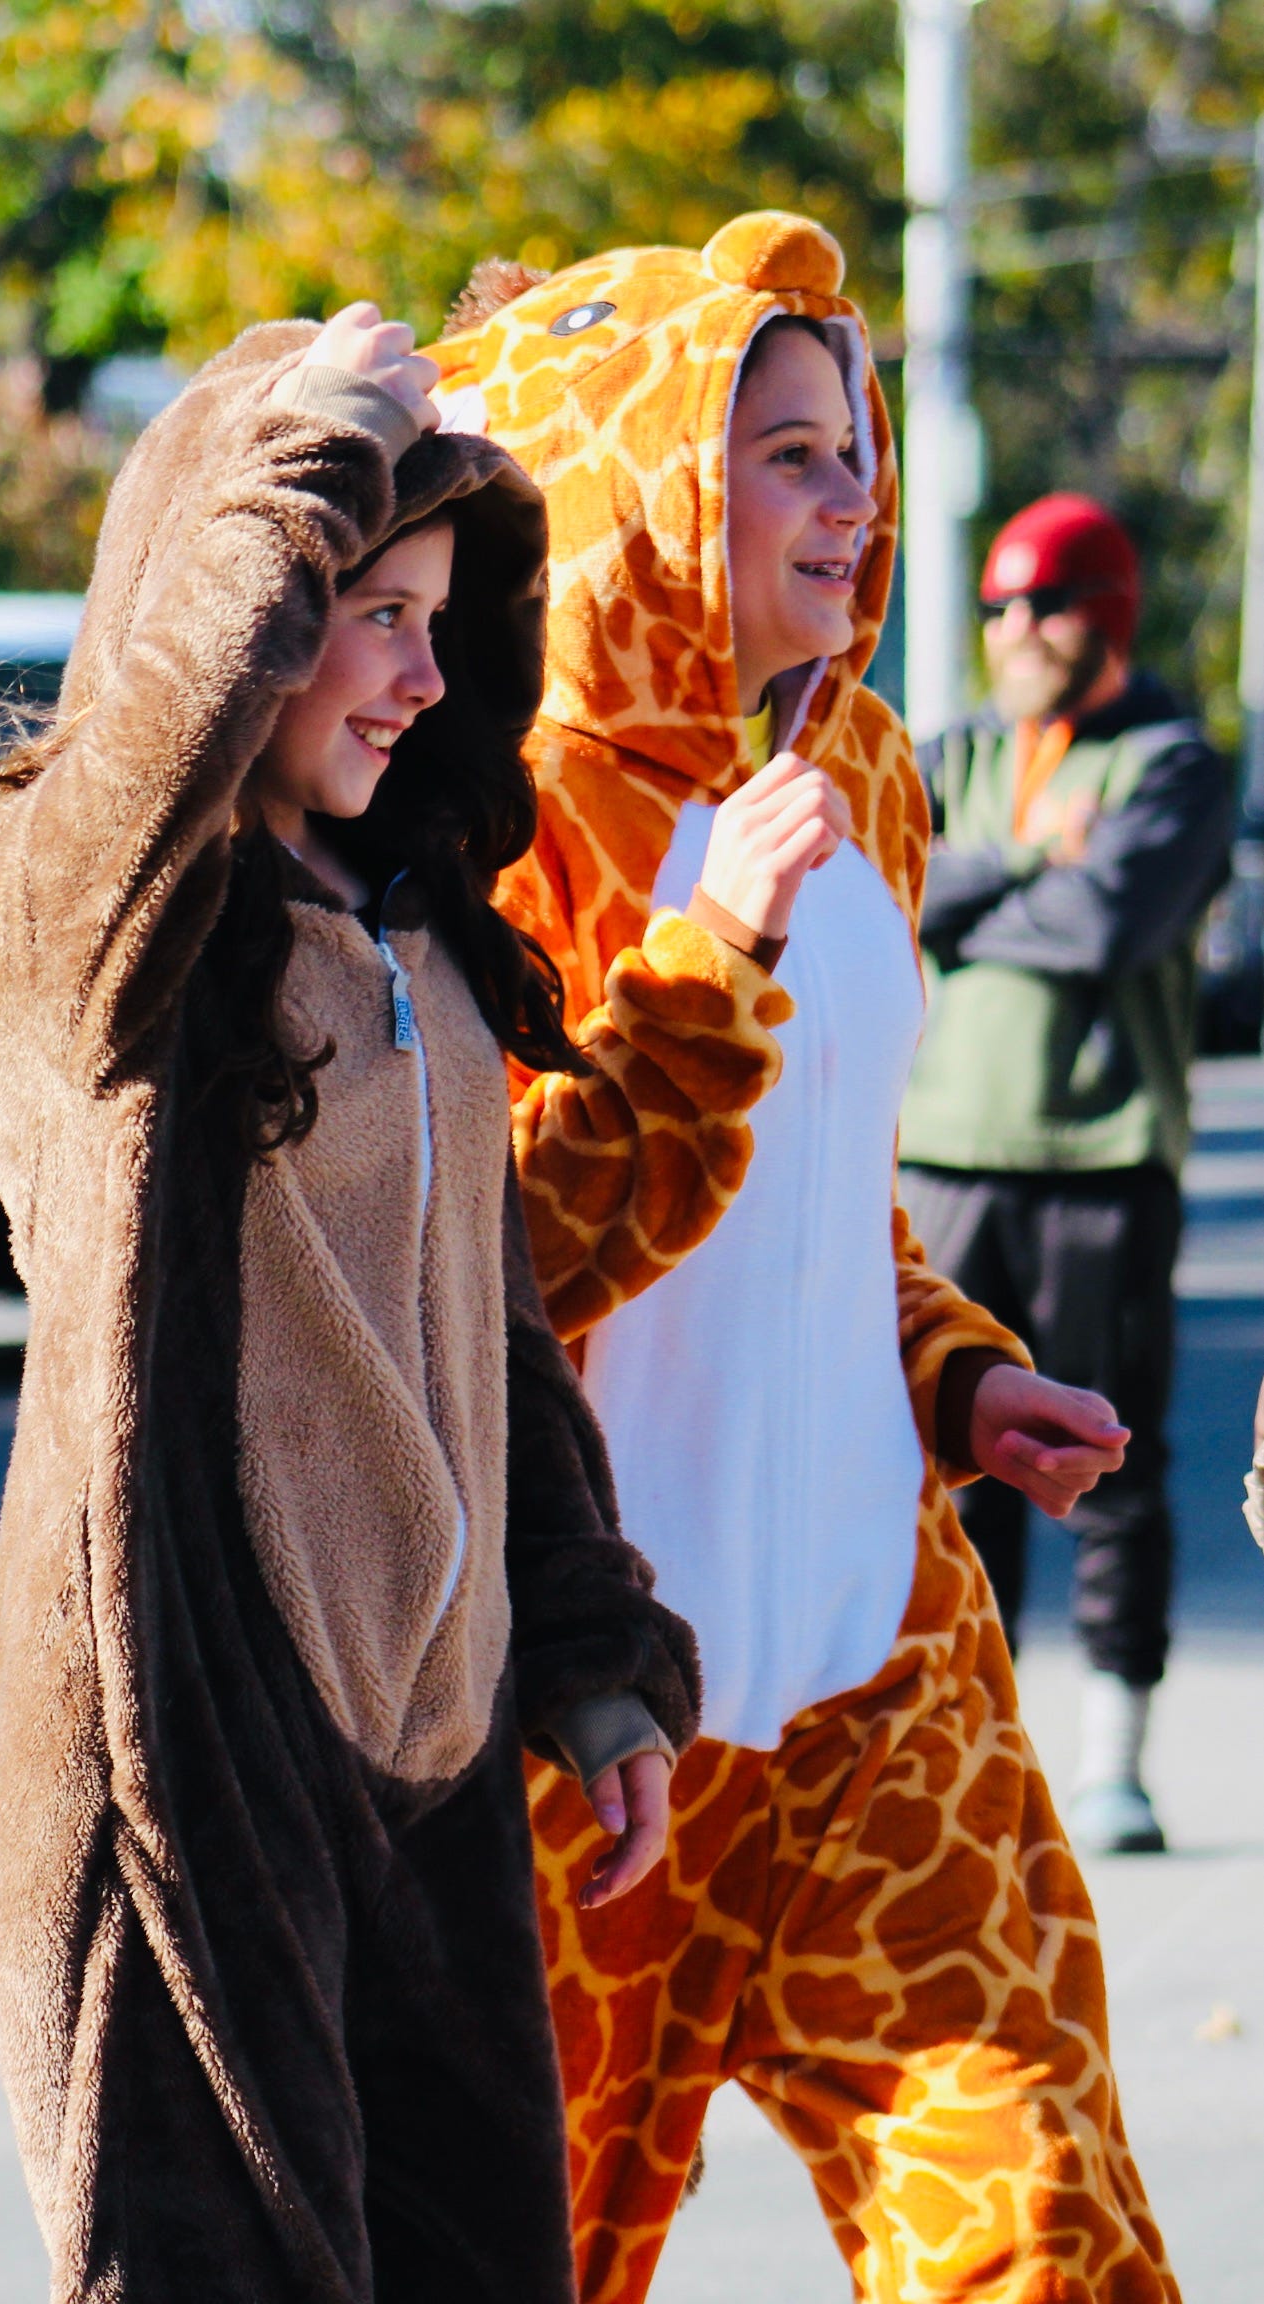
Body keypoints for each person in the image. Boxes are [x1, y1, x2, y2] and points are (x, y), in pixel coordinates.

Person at [0, 304, 703, 2301]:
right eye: (369, 612)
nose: (423, 676)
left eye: (437, 615)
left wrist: (589, 1654)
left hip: (422, 1781)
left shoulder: (408, 937)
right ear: (233, 598)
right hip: (181, 1773)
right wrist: (297, 470)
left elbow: (494, 1347)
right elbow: (129, 817)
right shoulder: (47, 904)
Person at [431, 212, 1175, 2301]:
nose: (849, 501)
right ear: (647, 478)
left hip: (880, 1679)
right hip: (586, 1743)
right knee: (500, 2267)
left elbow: (822, 1210)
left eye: (853, 446)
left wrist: (951, 1371)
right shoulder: (494, 816)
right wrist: (709, 951)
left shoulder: (865, 766)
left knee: (1036, 2237)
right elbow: (500, 1266)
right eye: (784, 454)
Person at [898, 492, 1234, 1856]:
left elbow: (1107, 926)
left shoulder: (1172, 763)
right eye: (995, 607)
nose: (1013, 630)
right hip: (942, 1161)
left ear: (1105, 612)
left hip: (1102, 1163)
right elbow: (893, 885)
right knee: (946, 1474)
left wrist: (979, 897)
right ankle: (975, 1754)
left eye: (1040, 604)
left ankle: (1114, 1762)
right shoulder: (955, 753)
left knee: (1105, 1459)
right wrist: (1029, 858)